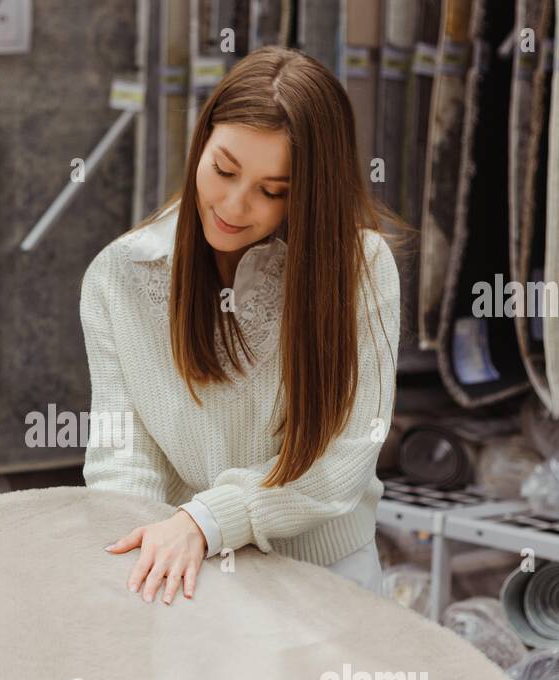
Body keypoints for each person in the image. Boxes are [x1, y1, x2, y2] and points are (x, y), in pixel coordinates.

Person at [80, 45, 400, 605]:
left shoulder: (361, 270)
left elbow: (345, 459)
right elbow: (123, 449)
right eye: (223, 169)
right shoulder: (120, 274)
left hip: (327, 581)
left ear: (311, 194)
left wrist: (207, 519)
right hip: (189, 576)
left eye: (272, 191)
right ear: (200, 142)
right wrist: (131, 554)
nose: (232, 204)